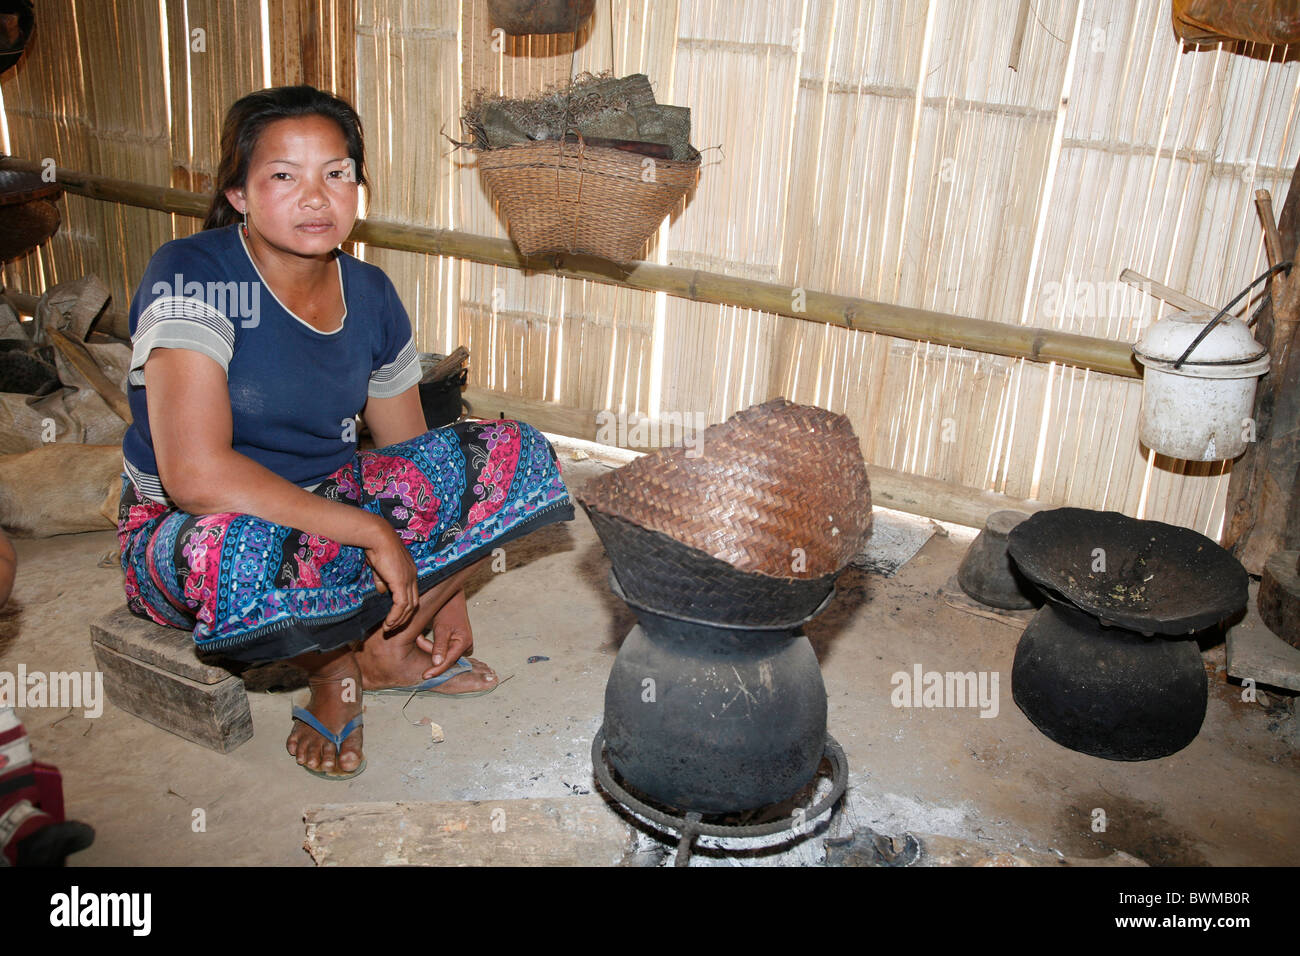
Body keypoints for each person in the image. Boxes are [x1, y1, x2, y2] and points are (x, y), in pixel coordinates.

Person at [116, 86, 573, 779]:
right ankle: (336, 676)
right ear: (238, 193)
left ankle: (388, 649)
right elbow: (196, 477)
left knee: (512, 453)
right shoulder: (194, 273)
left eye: (337, 173)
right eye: (282, 176)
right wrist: (372, 533)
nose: (315, 197)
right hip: (192, 528)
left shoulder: (370, 293)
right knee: (238, 549)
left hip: (325, 504)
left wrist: (447, 585)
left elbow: (411, 458)